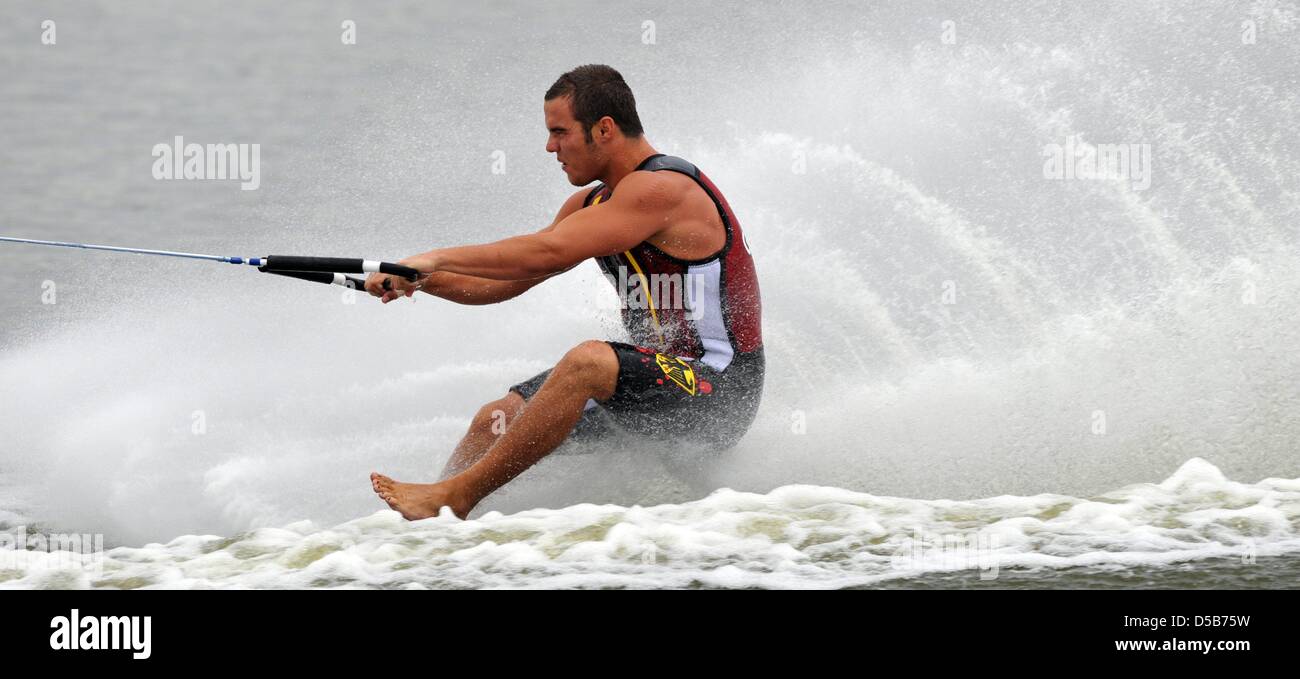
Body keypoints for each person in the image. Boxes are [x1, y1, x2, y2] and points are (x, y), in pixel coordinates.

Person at [366, 64, 764, 520]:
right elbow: (502, 283)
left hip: (721, 393)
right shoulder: (590, 204)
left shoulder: (663, 190)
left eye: (560, 132)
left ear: (605, 129)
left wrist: (434, 257)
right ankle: (430, 528)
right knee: (494, 420)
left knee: (588, 362)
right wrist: (414, 279)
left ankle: (456, 496)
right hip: (652, 386)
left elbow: (545, 252)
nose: (550, 147)